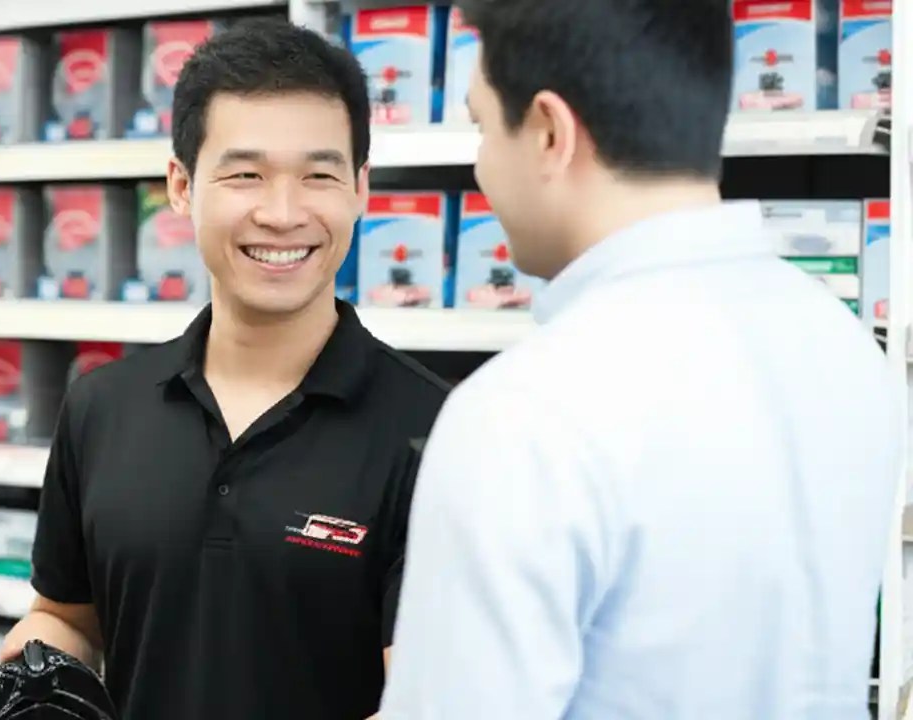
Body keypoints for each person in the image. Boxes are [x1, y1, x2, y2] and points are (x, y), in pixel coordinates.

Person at [382, 1, 903, 718]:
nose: (479, 168)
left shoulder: (522, 416)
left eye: (480, 126)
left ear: (548, 133)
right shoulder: (839, 345)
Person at [0, 18, 449, 720]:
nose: (282, 214)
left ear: (361, 188)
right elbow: (69, 618)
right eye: (245, 174)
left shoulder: (434, 433)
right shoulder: (102, 408)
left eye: (318, 175)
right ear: (182, 187)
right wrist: (26, 679)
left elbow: (428, 702)